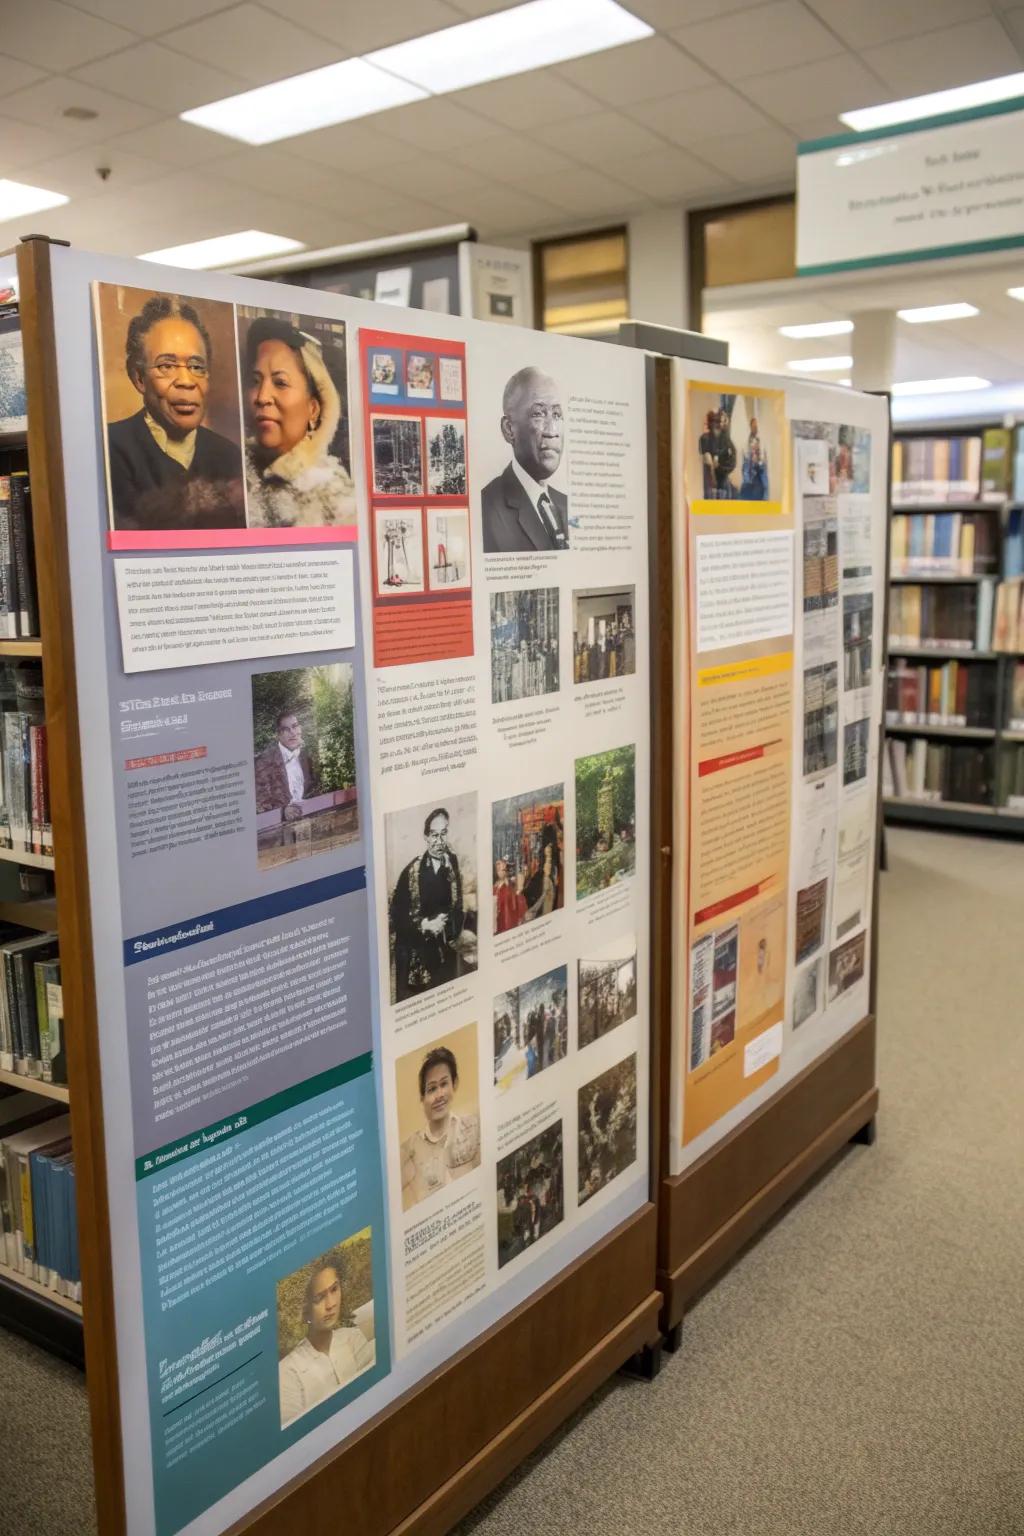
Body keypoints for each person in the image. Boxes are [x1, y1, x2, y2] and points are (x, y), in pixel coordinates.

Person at [106, 293, 244, 531]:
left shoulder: (230, 456)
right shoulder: (110, 448)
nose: (186, 381)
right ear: (139, 378)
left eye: (196, 367)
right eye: (166, 366)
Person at [244, 315, 356, 528]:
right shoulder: (232, 470)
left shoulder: (333, 496)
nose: (262, 396)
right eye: (255, 381)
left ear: (313, 409)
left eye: (280, 382)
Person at [278, 1259, 374, 1428]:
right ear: (304, 1308)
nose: (331, 1304)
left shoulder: (352, 1338)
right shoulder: (288, 1371)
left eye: (334, 1289)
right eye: (319, 1298)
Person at [390, 807, 473, 1001]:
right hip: (417, 959)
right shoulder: (411, 872)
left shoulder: (451, 864)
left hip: (444, 955)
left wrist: (447, 925)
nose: (439, 841)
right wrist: (424, 925)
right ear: (426, 837)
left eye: (443, 834)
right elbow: (396, 915)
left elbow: (458, 907)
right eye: (434, 835)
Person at [482, 368, 568, 552]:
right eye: (538, 414)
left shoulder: (565, 504)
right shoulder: (486, 510)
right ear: (509, 429)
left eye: (557, 415)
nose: (552, 431)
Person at [401, 1046, 481, 1210]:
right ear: (422, 1097)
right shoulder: (411, 1148)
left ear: (454, 1084)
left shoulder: (472, 1128)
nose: (439, 1095)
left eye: (444, 1084)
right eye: (431, 1089)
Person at [254, 709, 319, 818]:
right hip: (277, 826)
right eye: (286, 729)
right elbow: (260, 800)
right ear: (278, 734)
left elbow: (313, 790)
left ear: (300, 729)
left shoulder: (306, 757)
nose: (292, 733)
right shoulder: (264, 761)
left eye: (294, 726)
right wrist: (282, 812)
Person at [493, 858, 526, 935]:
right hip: (498, 922)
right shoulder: (495, 886)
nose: (500, 872)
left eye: (503, 870)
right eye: (498, 870)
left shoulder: (509, 886)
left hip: (508, 922)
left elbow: (517, 902)